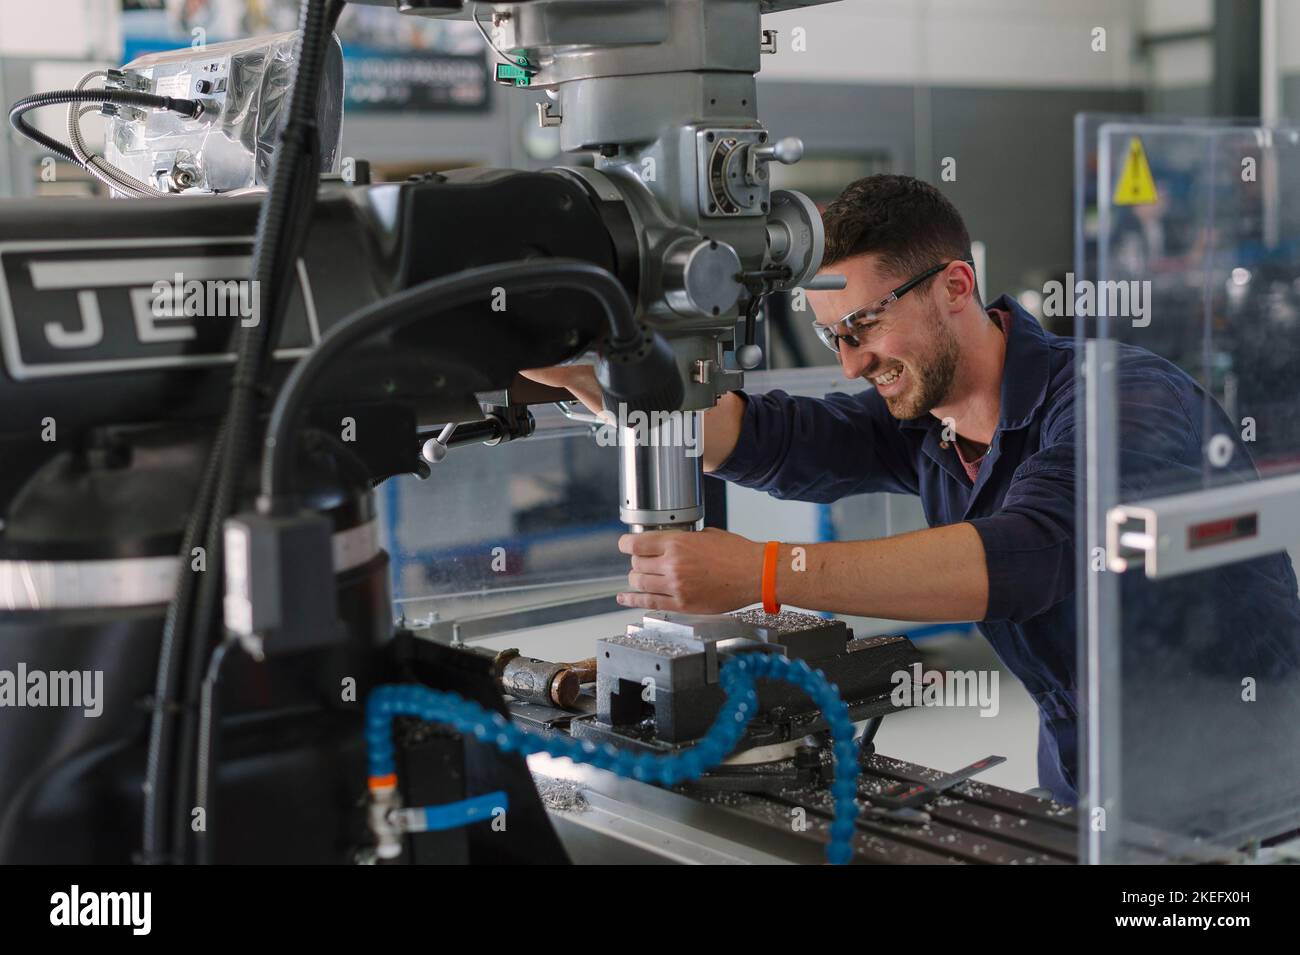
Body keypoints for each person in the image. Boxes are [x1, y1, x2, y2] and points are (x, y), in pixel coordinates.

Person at [525, 174, 1300, 804]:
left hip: (1239, 781)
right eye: (836, 336)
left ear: (954, 285)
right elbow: (782, 438)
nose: (852, 364)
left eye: (862, 325)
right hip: (1089, 774)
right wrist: (611, 381)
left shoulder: (1123, 400)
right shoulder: (933, 417)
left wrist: (760, 573)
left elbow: (1025, 558)